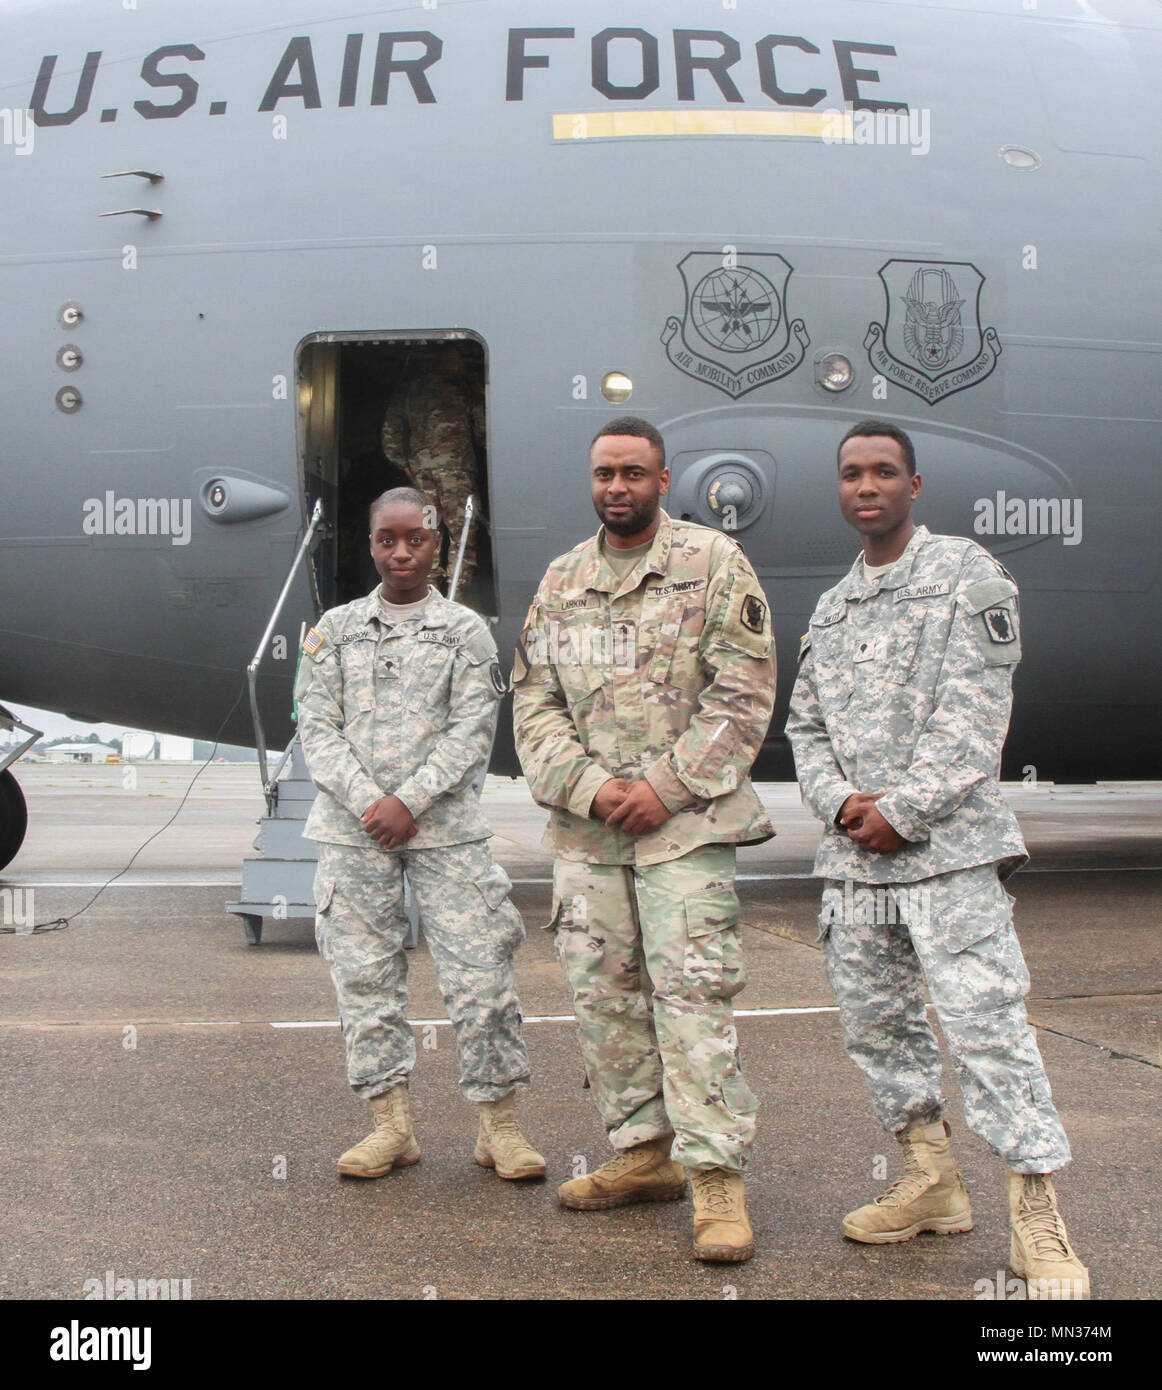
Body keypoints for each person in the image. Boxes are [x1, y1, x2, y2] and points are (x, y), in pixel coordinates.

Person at [785, 419, 1090, 1299]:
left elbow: (975, 716)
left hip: (948, 858)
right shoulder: (833, 608)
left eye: (884, 471)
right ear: (839, 490)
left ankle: (1036, 1213)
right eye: (851, 474)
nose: (866, 485)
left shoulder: (968, 574)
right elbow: (804, 729)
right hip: (856, 869)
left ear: (915, 486)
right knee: (879, 1031)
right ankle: (930, 1181)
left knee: (989, 1029)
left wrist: (904, 812)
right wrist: (842, 806)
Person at [512, 416, 776, 1263]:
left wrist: (664, 787)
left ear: (665, 480)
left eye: (633, 473)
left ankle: (718, 1183)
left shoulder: (712, 563)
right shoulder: (561, 581)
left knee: (693, 999)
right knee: (605, 999)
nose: (615, 487)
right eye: (603, 474)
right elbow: (533, 703)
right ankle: (642, 1156)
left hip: (686, 829)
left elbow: (742, 692)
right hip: (591, 837)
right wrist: (593, 788)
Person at [296, 487, 544, 1183]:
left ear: (438, 544)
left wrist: (408, 799)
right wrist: (370, 801)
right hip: (355, 832)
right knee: (365, 981)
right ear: (370, 544)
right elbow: (315, 727)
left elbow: (473, 733)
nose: (401, 552)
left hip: (446, 830)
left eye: (417, 539)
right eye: (387, 539)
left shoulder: (466, 632)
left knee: (481, 974)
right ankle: (390, 1128)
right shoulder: (334, 631)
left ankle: (500, 1128)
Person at [380, 345, 484, 594]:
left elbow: (390, 434)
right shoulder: (464, 388)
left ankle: (429, 587)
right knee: (463, 531)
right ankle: (457, 594)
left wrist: (406, 465)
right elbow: (482, 430)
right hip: (456, 472)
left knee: (427, 530)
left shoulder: (410, 390)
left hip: (422, 476)